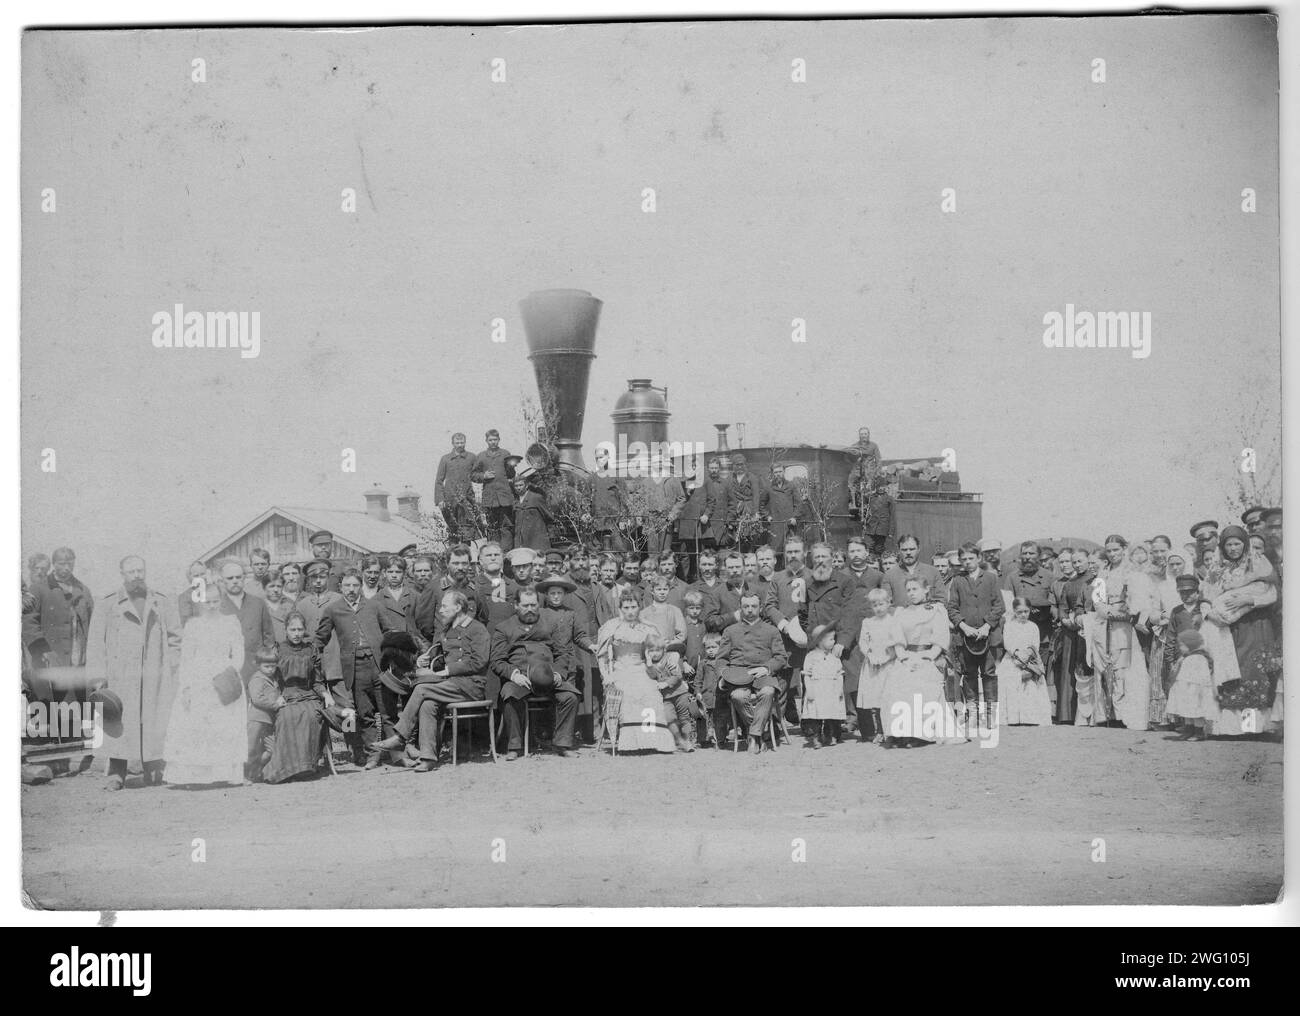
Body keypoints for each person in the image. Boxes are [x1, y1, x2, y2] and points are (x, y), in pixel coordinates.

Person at [86, 556, 182, 790]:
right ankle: (116, 773)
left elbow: (176, 638)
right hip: (121, 674)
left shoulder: (161, 601)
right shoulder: (108, 603)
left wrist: (172, 669)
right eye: (131, 572)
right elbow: (96, 642)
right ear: (122, 574)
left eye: (140, 570)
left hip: (154, 673)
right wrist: (98, 676)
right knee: (119, 721)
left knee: (154, 720)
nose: (137, 575)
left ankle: (153, 769)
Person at [371, 590, 494, 771]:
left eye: (444, 606)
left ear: (458, 607)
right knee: (428, 704)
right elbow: (438, 657)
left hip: (471, 686)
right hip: (450, 685)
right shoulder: (446, 630)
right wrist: (423, 661)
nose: (440, 610)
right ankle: (428, 758)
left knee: (422, 689)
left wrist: (447, 671)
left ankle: (400, 737)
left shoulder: (477, 629)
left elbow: (479, 661)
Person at [164, 574, 246, 787]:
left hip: (224, 677)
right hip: (199, 678)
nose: (212, 606)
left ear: (221, 601)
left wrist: (230, 673)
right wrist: (186, 686)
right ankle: (196, 776)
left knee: (224, 727)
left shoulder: (230, 622)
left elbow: (238, 652)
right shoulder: (193, 625)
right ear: (200, 602)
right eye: (208, 602)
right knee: (197, 726)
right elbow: (186, 658)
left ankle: (223, 774)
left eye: (215, 601)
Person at [1200, 525, 1279, 737]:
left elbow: (1272, 594)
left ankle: (1251, 728)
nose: (1233, 548)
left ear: (1245, 544)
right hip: (1227, 628)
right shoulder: (1217, 569)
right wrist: (1210, 613)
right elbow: (1206, 596)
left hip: (1254, 626)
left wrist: (1249, 599)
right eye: (1229, 544)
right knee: (1232, 674)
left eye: (1237, 543)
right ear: (1222, 547)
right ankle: (1232, 727)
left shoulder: (1257, 563)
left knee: (1252, 671)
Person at [493, 588, 581, 760]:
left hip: (548, 677)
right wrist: (514, 675)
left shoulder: (550, 625)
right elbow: (497, 661)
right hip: (521, 679)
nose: (530, 609)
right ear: (516, 605)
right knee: (509, 695)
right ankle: (514, 746)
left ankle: (562, 743)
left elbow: (563, 653)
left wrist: (558, 674)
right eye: (525, 605)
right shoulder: (504, 628)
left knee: (570, 696)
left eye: (533, 605)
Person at [314, 568, 386, 767]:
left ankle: (385, 752)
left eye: (355, 585)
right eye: (347, 585)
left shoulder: (373, 606)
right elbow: (319, 639)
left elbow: (388, 631)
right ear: (340, 587)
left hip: (373, 665)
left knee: (379, 711)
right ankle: (356, 749)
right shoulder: (332, 609)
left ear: (361, 586)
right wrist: (308, 657)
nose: (351, 589)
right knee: (350, 712)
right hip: (343, 671)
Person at [880, 577, 963, 746]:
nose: (911, 593)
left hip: (928, 656)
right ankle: (899, 733)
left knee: (920, 686)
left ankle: (920, 734)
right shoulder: (902, 612)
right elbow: (898, 639)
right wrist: (903, 657)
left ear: (926, 590)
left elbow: (940, 638)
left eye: (915, 589)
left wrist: (929, 656)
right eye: (908, 590)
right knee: (894, 686)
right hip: (906, 657)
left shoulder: (936, 610)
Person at [595, 590, 680, 753]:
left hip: (642, 669)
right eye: (626, 608)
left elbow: (658, 653)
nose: (630, 611)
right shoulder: (612, 627)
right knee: (629, 693)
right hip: (620, 670)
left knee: (651, 692)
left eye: (633, 607)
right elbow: (602, 657)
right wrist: (606, 676)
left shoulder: (648, 627)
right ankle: (630, 743)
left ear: (639, 607)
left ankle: (652, 741)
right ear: (620, 608)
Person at [1090, 535, 1151, 731]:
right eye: (1109, 551)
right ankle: (1108, 713)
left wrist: (1124, 613)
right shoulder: (1103, 572)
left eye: (1116, 550)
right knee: (1105, 666)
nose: (1112, 554)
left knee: (1122, 668)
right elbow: (1097, 600)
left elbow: (1138, 599)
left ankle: (1124, 713)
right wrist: (1107, 612)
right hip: (1105, 622)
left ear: (1124, 549)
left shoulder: (1132, 571)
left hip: (1125, 625)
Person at [716, 592, 788, 755]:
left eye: (754, 606)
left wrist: (766, 668)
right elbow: (721, 659)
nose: (750, 610)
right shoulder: (730, 631)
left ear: (760, 608)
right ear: (740, 608)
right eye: (746, 606)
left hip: (763, 674)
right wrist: (723, 676)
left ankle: (753, 736)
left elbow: (781, 657)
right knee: (738, 696)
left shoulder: (771, 630)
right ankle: (759, 733)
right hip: (738, 675)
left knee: (768, 692)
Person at [947, 541, 1005, 732]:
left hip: (988, 636)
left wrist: (987, 626)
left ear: (979, 558)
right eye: (963, 559)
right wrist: (964, 627)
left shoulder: (991, 578)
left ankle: (990, 715)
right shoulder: (957, 581)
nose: (967, 562)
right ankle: (973, 714)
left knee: (989, 674)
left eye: (971, 558)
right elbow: (952, 608)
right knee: (969, 674)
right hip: (966, 638)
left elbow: (999, 606)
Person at [28, 546, 94, 667]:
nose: (66, 568)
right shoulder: (38, 588)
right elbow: (29, 622)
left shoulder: (83, 590)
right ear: (53, 564)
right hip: (49, 657)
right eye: (62, 564)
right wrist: (41, 649)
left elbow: (93, 624)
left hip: (79, 658)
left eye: (70, 564)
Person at [854, 587, 901, 742]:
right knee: (875, 698)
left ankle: (892, 730)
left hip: (889, 664)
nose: (878, 608)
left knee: (889, 696)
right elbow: (863, 642)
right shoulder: (868, 622)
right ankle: (879, 730)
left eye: (881, 604)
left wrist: (887, 657)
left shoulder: (893, 622)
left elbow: (898, 642)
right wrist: (870, 656)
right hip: (873, 665)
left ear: (888, 603)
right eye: (875, 605)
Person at [218, 559, 275, 682]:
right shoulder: (218, 607)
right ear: (222, 581)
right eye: (230, 578)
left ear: (244, 578)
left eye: (238, 577)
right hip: (229, 669)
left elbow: (268, 636)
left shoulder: (258, 603)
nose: (235, 581)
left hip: (255, 665)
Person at [997, 598, 1052, 726]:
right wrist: (1017, 654)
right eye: (1019, 612)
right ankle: (1012, 718)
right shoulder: (1009, 626)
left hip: (1029, 660)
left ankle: (1030, 718)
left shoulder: (1033, 627)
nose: (1023, 615)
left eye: (1026, 611)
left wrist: (1027, 656)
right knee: (1009, 679)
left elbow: (1035, 645)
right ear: (1014, 611)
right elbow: (1007, 643)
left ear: (1030, 611)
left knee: (1031, 683)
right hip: (1013, 658)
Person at [1165, 628, 1216, 741]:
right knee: (1187, 711)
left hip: (1195, 690)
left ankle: (1199, 733)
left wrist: (1194, 689)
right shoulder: (1187, 657)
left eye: (1182, 645)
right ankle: (1188, 730)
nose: (1180, 648)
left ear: (1191, 645)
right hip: (1186, 689)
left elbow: (1199, 678)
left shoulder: (1198, 658)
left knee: (1196, 712)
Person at [644, 635, 694, 751]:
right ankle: (679, 740)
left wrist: (666, 683)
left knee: (684, 717)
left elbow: (678, 675)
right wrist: (649, 663)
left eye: (658, 650)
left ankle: (687, 740)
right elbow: (652, 676)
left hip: (680, 693)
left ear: (663, 650)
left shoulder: (670, 658)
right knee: (669, 718)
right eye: (651, 651)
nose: (655, 654)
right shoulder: (649, 664)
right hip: (665, 697)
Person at [801, 623, 846, 746]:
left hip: (831, 690)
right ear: (820, 641)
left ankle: (830, 734)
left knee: (831, 714)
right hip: (817, 689)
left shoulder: (834, 657)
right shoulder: (811, 657)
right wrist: (809, 690)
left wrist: (840, 688)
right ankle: (816, 736)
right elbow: (807, 674)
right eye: (831, 639)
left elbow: (839, 674)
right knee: (816, 714)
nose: (834, 642)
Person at [472, 428, 516, 552]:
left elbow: (511, 475)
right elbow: (473, 475)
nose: (493, 442)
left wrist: (511, 467)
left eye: (495, 439)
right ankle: (494, 552)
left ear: (499, 440)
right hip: (490, 498)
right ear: (486, 441)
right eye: (490, 440)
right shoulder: (481, 456)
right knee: (492, 527)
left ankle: (506, 553)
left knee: (506, 526)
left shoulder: (505, 454)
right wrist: (483, 476)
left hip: (504, 497)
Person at [435, 432, 477, 543]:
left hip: (467, 498)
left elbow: (477, 474)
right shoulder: (445, 459)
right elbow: (439, 480)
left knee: (467, 529)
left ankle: (466, 551)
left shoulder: (471, 457)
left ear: (465, 442)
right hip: (450, 499)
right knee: (452, 529)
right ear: (452, 443)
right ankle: (453, 551)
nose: (459, 445)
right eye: (457, 443)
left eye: (462, 442)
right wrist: (440, 499)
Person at [883, 533, 941, 606]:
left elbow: (941, 599)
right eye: (904, 550)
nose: (908, 553)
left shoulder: (933, 572)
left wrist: (926, 610)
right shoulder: (889, 575)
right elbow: (885, 604)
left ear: (918, 549)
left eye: (912, 549)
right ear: (899, 551)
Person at [640, 574, 687, 653]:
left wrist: (670, 643)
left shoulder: (675, 611)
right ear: (652, 591)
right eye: (659, 589)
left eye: (665, 589)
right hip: (651, 652)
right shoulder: (644, 613)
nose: (662, 592)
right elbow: (641, 634)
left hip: (670, 651)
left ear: (669, 590)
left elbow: (682, 634)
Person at [514, 469, 554, 552]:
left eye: (521, 485)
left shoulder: (536, 498)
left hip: (536, 540)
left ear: (526, 485)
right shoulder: (515, 501)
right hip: (521, 542)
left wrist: (551, 536)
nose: (518, 488)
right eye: (516, 486)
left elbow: (549, 517)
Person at [862, 479, 895, 556]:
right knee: (868, 547)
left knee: (879, 548)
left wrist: (891, 531)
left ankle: (878, 561)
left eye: (882, 486)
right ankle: (870, 561)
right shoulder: (871, 497)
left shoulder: (889, 499)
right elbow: (863, 503)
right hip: (871, 527)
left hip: (883, 528)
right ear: (875, 487)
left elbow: (892, 516)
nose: (880, 488)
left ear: (885, 487)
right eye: (878, 486)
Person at [263, 571, 295, 643]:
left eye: (279, 586)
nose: (276, 590)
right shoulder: (259, 607)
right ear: (264, 588)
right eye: (272, 586)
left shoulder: (290, 606)